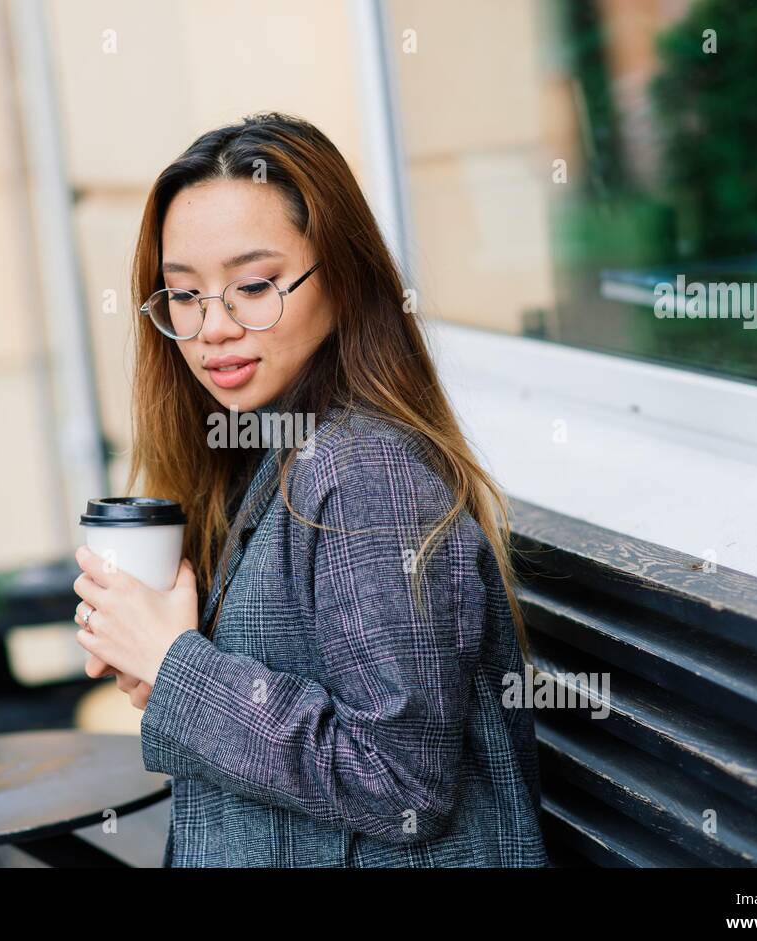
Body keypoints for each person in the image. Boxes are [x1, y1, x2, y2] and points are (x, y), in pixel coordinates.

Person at [72, 112, 547, 867]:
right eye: (184, 295)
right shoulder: (263, 451)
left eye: (254, 285)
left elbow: (404, 786)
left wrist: (177, 668)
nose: (212, 327)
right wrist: (162, 663)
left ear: (343, 274)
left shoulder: (366, 474)